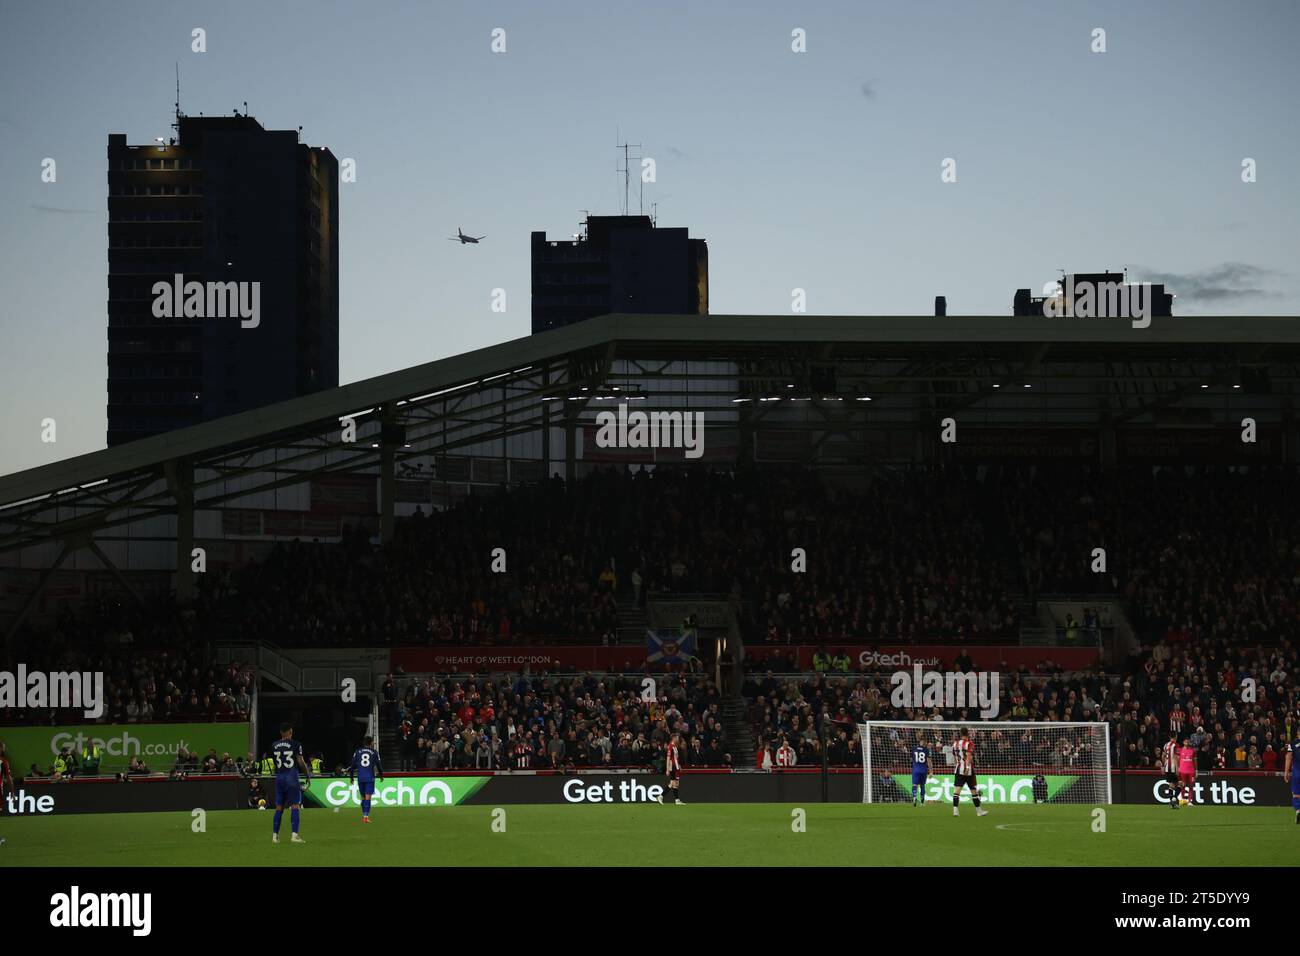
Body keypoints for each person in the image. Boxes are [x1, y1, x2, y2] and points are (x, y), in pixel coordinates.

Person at [271, 723, 311, 844]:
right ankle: (294, 835)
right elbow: (300, 761)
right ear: (290, 731)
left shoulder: (274, 745)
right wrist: (308, 775)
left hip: (279, 778)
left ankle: (275, 836)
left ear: (281, 732)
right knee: (295, 806)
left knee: (279, 808)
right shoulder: (295, 744)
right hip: (291, 778)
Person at [951, 727, 988, 818]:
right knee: (973, 791)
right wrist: (967, 767)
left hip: (958, 769)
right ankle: (979, 811)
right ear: (967, 734)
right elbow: (968, 756)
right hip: (968, 771)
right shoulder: (969, 743)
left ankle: (955, 811)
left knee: (957, 790)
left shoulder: (955, 744)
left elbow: (954, 756)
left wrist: (957, 765)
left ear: (960, 733)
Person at [348, 735, 384, 824]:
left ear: (364, 743)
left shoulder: (358, 751)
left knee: (363, 797)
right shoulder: (374, 752)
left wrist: (351, 777)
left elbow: (352, 765)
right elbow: (379, 765)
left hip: (360, 777)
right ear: (371, 743)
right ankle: (365, 817)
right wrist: (381, 775)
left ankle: (364, 815)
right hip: (369, 777)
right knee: (368, 798)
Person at [657, 732, 684, 805]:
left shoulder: (675, 747)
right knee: (674, 783)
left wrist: (679, 765)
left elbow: (676, 758)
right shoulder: (670, 746)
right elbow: (668, 758)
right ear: (673, 738)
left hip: (676, 767)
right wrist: (667, 769)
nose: (678, 739)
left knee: (674, 783)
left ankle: (675, 799)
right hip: (673, 767)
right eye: (677, 738)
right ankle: (662, 796)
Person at [1160, 730, 1180, 809]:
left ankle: (1172, 803)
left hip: (1166, 767)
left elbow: (1163, 756)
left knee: (1171, 784)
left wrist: (1164, 764)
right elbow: (1175, 757)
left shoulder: (1166, 745)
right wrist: (1177, 768)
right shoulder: (1175, 745)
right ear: (1176, 736)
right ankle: (1174, 799)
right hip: (1172, 767)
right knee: (1180, 784)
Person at [1285, 724, 1300, 825]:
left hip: (1297, 773)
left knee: (1296, 794)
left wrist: (1286, 771)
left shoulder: (1293, 744)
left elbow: (1289, 757)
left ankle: (1298, 811)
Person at [910, 733, 930, 807]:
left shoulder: (914, 748)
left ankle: (914, 797)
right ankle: (922, 802)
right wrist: (931, 771)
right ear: (924, 742)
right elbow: (928, 761)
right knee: (922, 786)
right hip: (923, 769)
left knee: (914, 785)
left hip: (915, 768)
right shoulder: (926, 750)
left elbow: (912, 758)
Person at [1177, 736, 1197, 807]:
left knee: (1191, 786)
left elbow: (1195, 761)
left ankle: (1189, 802)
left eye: (1188, 741)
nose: (1187, 742)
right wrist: (1178, 768)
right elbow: (1178, 760)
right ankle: (1182, 800)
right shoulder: (1180, 750)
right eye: (1185, 741)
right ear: (1183, 742)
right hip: (1182, 771)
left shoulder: (1193, 750)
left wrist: (1196, 770)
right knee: (1183, 786)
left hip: (1191, 771)